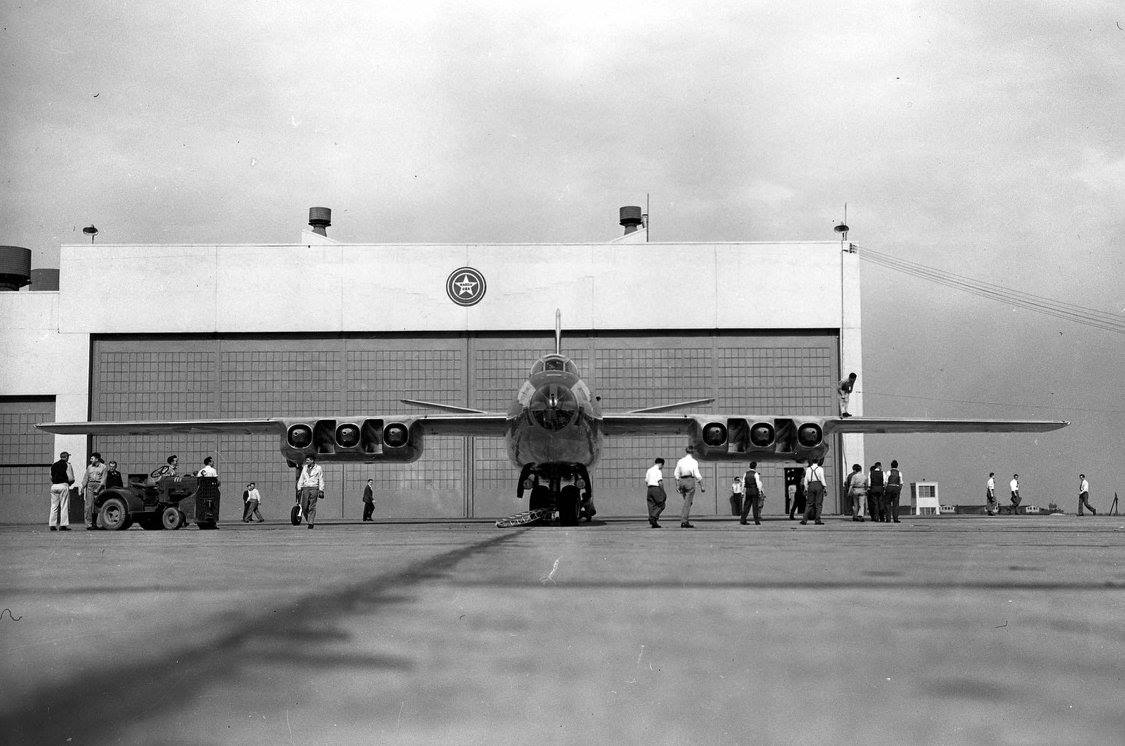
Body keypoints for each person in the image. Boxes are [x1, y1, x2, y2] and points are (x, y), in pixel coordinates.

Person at [673, 446, 705, 528]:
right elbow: (697, 474)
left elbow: (676, 473)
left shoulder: (680, 461)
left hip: (681, 481)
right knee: (687, 503)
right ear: (693, 452)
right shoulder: (694, 461)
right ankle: (684, 522)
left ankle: (685, 519)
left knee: (688, 502)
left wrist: (677, 485)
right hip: (689, 481)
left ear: (686, 451)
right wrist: (702, 485)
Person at [79, 452, 108, 530]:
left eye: (92, 458)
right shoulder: (89, 467)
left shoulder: (104, 467)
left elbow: (103, 479)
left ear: (97, 459)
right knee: (89, 506)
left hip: (99, 486)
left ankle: (97, 523)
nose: (90, 460)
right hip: (90, 486)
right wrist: (82, 487)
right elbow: (86, 477)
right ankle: (89, 524)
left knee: (98, 505)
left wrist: (98, 489)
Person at [48, 451, 75, 531]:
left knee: (54, 506)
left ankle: (52, 525)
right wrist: (70, 483)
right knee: (64, 506)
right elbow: (71, 478)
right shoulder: (67, 465)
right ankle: (63, 525)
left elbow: (50, 476)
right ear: (66, 457)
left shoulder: (53, 465)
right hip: (63, 485)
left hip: (54, 486)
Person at [296, 455, 324, 529]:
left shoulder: (318, 468)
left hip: (314, 488)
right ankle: (309, 520)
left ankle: (311, 523)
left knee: (312, 506)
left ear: (312, 460)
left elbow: (321, 479)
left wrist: (321, 490)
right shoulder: (305, 468)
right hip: (305, 488)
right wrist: (299, 488)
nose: (306, 461)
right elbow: (302, 477)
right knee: (304, 506)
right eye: (306, 460)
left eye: (308, 460)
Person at [801, 459, 826, 525]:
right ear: (818, 461)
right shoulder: (820, 469)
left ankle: (804, 520)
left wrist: (806, 488)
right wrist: (824, 487)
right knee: (819, 504)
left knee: (809, 504)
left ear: (811, 462)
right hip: (818, 485)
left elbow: (806, 479)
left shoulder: (808, 469)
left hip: (811, 485)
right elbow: (822, 478)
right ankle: (817, 520)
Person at [645, 458, 667, 528]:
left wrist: (650, 488)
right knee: (662, 504)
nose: (662, 467)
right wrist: (663, 492)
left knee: (651, 505)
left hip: (649, 489)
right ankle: (653, 517)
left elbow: (646, 481)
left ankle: (653, 522)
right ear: (661, 464)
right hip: (656, 488)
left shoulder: (649, 470)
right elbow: (660, 482)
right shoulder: (658, 471)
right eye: (662, 465)